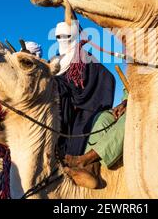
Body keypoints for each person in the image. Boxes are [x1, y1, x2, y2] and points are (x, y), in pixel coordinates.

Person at [52, 20, 118, 188]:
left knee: (82, 129)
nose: (62, 40)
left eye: (66, 36)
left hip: (83, 110)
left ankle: (82, 167)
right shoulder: (55, 60)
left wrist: (83, 99)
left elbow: (107, 78)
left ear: (74, 37)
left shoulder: (85, 58)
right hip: (59, 108)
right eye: (58, 36)